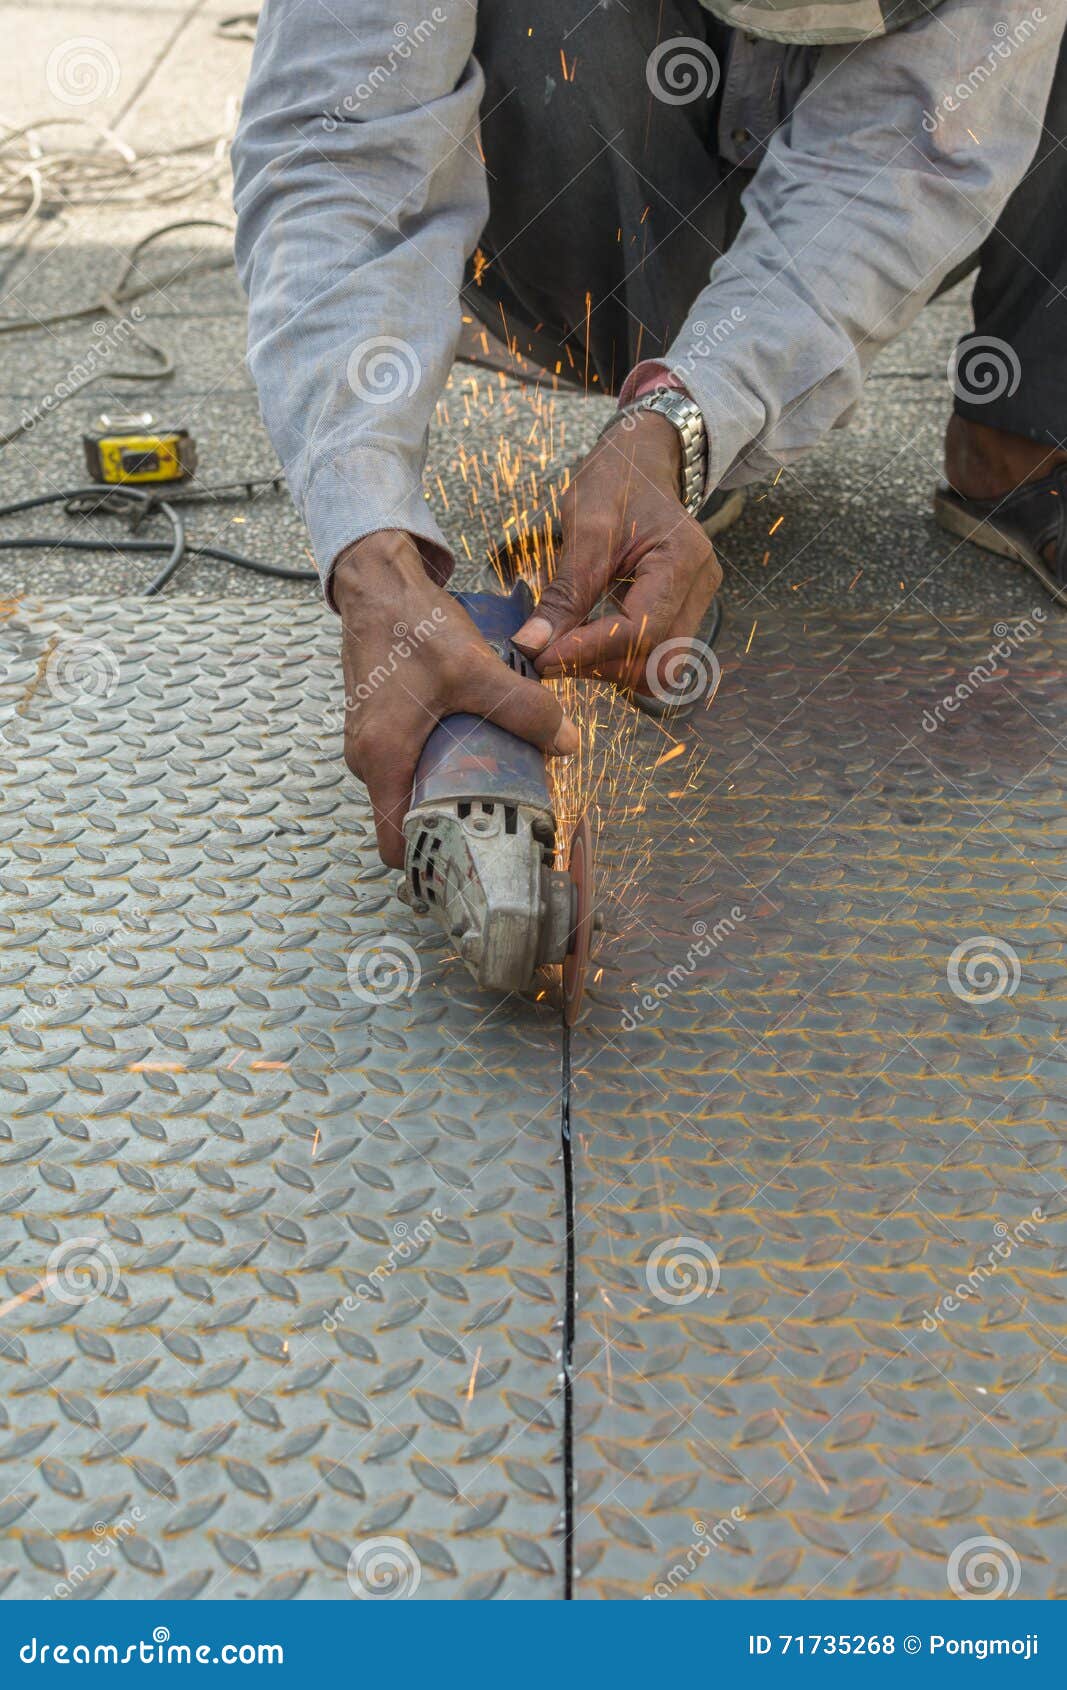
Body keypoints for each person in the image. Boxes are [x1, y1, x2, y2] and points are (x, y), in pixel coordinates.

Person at [232, 0, 1066, 866]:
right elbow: (337, 156)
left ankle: (1024, 425)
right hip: (592, 198)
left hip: (879, 166)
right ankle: (670, 400)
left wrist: (683, 416)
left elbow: (901, 157)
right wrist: (370, 551)